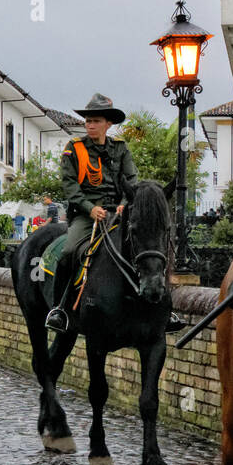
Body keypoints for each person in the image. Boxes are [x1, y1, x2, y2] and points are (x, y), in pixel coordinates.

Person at [45, 93, 182, 334]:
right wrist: (91, 208)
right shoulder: (74, 149)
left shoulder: (120, 149)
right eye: (88, 120)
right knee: (68, 252)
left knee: (149, 245)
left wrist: (123, 202)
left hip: (118, 213)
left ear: (108, 124)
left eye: (96, 120)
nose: (90, 124)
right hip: (86, 215)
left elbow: (131, 179)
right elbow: (69, 186)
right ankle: (60, 309)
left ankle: (163, 309)